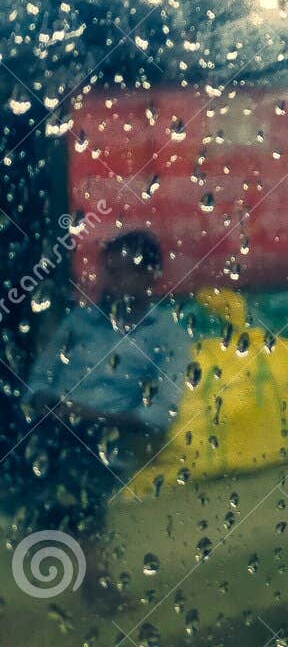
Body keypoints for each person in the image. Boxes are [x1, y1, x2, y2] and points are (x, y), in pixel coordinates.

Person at [17, 231, 192, 541]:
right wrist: (45, 401)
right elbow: (39, 378)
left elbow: (160, 414)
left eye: (120, 272)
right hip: (50, 429)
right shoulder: (80, 321)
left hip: (107, 441)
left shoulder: (167, 334)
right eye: (107, 271)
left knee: (73, 495)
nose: (109, 281)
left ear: (149, 276)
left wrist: (87, 415)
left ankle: (75, 542)